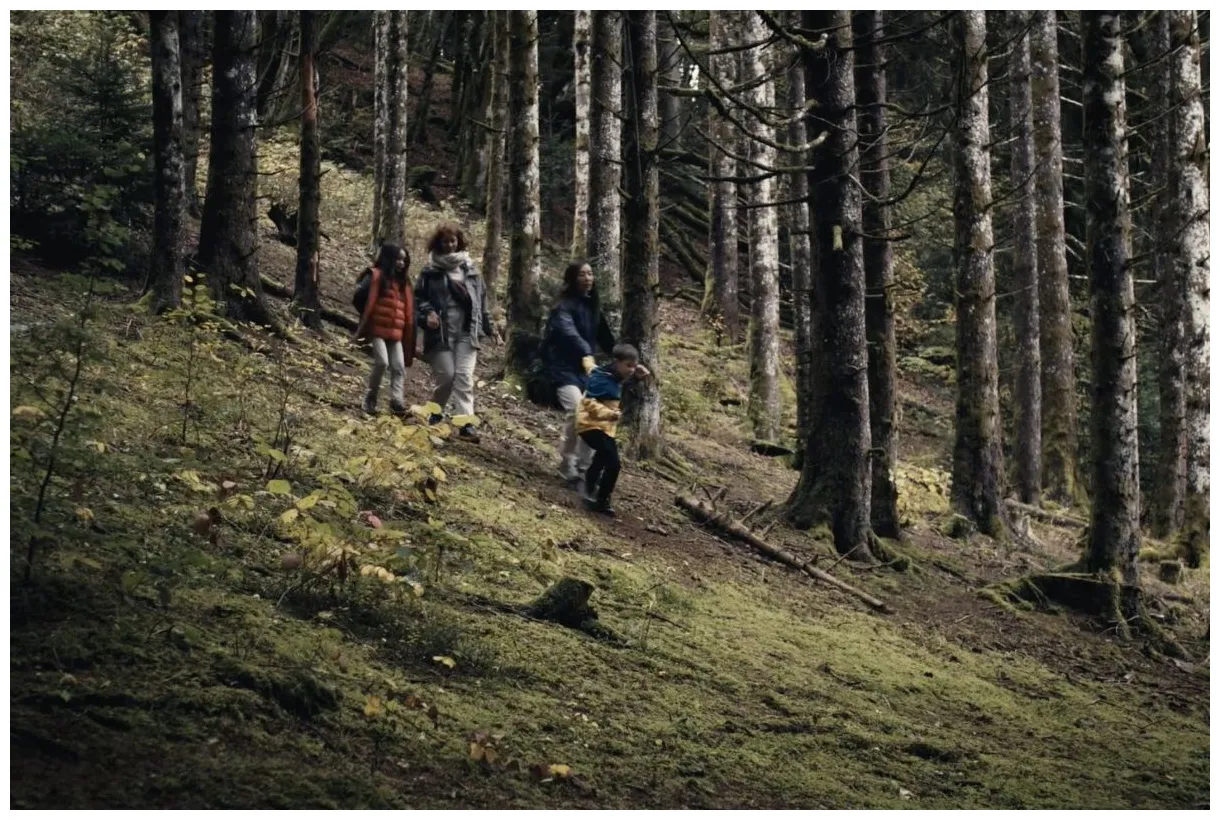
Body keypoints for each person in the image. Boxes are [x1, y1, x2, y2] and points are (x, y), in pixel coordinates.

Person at [415, 223, 496, 442]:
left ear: (459, 242)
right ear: (438, 244)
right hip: (440, 332)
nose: (450, 245)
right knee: (447, 376)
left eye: (453, 241)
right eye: (445, 242)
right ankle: (434, 412)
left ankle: (466, 424)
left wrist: (490, 327)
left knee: (464, 377)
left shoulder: (471, 269)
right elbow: (418, 299)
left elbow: (482, 301)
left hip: (467, 332)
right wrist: (428, 313)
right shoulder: (430, 271)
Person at [542, 259, 616, 484]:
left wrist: (626, 359)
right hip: (562, 368)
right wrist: (586, 353)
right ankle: (567, 463)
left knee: (592, 415)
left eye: (590, 274)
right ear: (572, 279)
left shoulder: (593, 307)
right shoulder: (562, 307)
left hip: (585, 371)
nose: (588, 278)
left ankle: (584, 467)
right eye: (582, 274)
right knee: (576, 411)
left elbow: (606, 339)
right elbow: (569, 333)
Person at [576, 343, 651, 517]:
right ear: (616, 362)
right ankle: (601, 500)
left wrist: (638, 377)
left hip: (605, 427)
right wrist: (609, 414)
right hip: (589, 425)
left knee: (604, 456)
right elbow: (589, 402)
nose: (631, 369)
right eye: (628, 365)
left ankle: (589, 484)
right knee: (614, 464)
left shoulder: (614, 376)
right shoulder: (602, 378)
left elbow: (619, 386)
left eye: (634, 366)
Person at [354, 243, 414, 415]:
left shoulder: (404, 283)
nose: (402, 263)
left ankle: (397, 402)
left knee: (399, 366)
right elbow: (359, 296)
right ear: (389, 259)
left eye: (404, 260)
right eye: (398, 259)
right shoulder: (376, 276)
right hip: (376, 329)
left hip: (396, 332)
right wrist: (367, 316)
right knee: (382, 362)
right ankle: (370, 398)